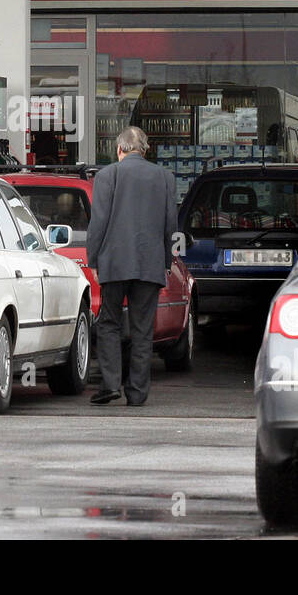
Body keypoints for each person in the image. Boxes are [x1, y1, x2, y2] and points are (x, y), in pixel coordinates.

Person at [85, 125, 177, 406]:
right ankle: (137, 393)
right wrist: (166, 261)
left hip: (114, 262)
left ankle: (111, 384)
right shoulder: (165, 177)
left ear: (119, 149)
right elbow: (171, 225)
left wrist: (94, 259)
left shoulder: (107, 175)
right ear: (145, 149)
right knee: (142, 328)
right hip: (150, 264)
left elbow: (98, 222)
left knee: (110, 323)